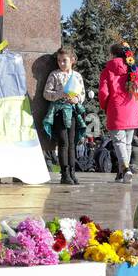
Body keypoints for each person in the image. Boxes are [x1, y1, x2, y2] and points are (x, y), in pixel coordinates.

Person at [97, 42, 138, 183]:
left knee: (119, 142)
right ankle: (122, 173)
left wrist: (105, 106)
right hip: (132, 109)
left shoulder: (108, 70)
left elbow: (103, 92)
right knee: (127, 143)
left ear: (113, 54)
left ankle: (126, 168)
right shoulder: (135, 70)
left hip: (115, 109)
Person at [42, 46, 86, 186]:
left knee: (72, 143)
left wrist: (77, 99)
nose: (61, 63)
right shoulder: (55, 75)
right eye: (59, 61)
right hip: (59, 111)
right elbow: (46, 93)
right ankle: (64, 173)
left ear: (72, 60)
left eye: (64, 60)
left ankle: (73, 172)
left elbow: (82, 93)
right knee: (63, 142)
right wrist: (59, 94)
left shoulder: (77, 76)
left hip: (72, 111)